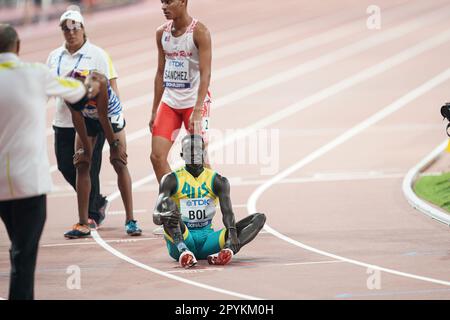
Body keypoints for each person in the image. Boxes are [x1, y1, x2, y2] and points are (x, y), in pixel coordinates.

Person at [0, 24, 101, 299]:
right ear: (18, 47)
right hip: (29, 183)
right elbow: (79, 94)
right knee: (24, 254)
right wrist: (91, 84)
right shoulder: (35, 74)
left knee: (18, 247)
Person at [153, 134, 266, 268]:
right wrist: (165, 216)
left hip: (208, 241)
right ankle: (184, 252)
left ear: (204, 153)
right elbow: (156, 216)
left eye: (197, 150)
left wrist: (232, 237)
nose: (194, 154)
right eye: (189, 151)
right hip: (183, 237)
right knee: (168, 204)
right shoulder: (171, 179)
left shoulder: (218, 181)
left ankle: (226, 252)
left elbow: (228, 214)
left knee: (259, 218)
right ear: (183, 155)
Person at [46, 7, 112, 230]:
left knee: (87, 167)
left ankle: (91, 214)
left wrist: (112, 121)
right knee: (66, 166)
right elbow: (47, 88)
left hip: (91, 122)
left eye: (75, 27)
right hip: (63, 121)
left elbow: (110, 86)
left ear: (83, 28)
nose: (71, 32)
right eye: (66, 28)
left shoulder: (97, 55)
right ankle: (97, 201)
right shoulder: (54, 57)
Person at [64, 68, 142, 238]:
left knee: (119, 162)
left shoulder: (99, 82)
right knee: (82, 164)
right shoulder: (67, 86)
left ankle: (130, 220)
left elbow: (102, 116)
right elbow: (77, 119)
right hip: (86, 118)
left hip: (109, 115)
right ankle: (83, 223)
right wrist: (85, 149)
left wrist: (114, 146)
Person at [149, 0, 213, 184]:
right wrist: (154, 110)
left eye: (169, 2)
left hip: (194, 102)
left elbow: (205, 74)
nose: (163, 7)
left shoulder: (200, 32)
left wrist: (198, 110)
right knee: (157, 157)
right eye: (162, 2)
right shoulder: (161, 33)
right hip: (170, 102)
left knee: (197, 160)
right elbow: (160, 72)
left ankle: (213, 203)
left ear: (183, 2)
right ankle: (173, 205)